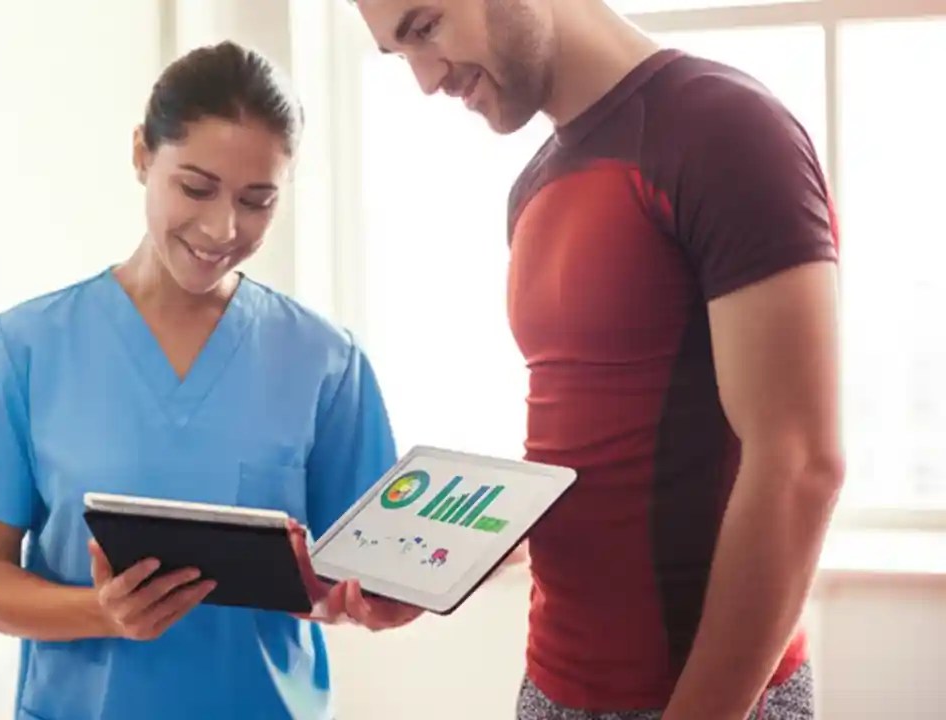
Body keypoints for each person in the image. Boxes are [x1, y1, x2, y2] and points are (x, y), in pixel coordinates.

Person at [350, 1, 843, 719]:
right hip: (551, 686)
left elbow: (799, 466)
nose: (426, 80)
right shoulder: (534, 186)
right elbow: (593, 460)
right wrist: (437, 562)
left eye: (425, 28)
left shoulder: (727, 130)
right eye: (400, 54)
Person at [0, 40, 421, 720]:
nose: (223, 227)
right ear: (141, 155)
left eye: (257, 200)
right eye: (196, 188)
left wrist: (377, 603)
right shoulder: (28, 347)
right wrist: (102, 613)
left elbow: (347, 583)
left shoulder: (325, 361)